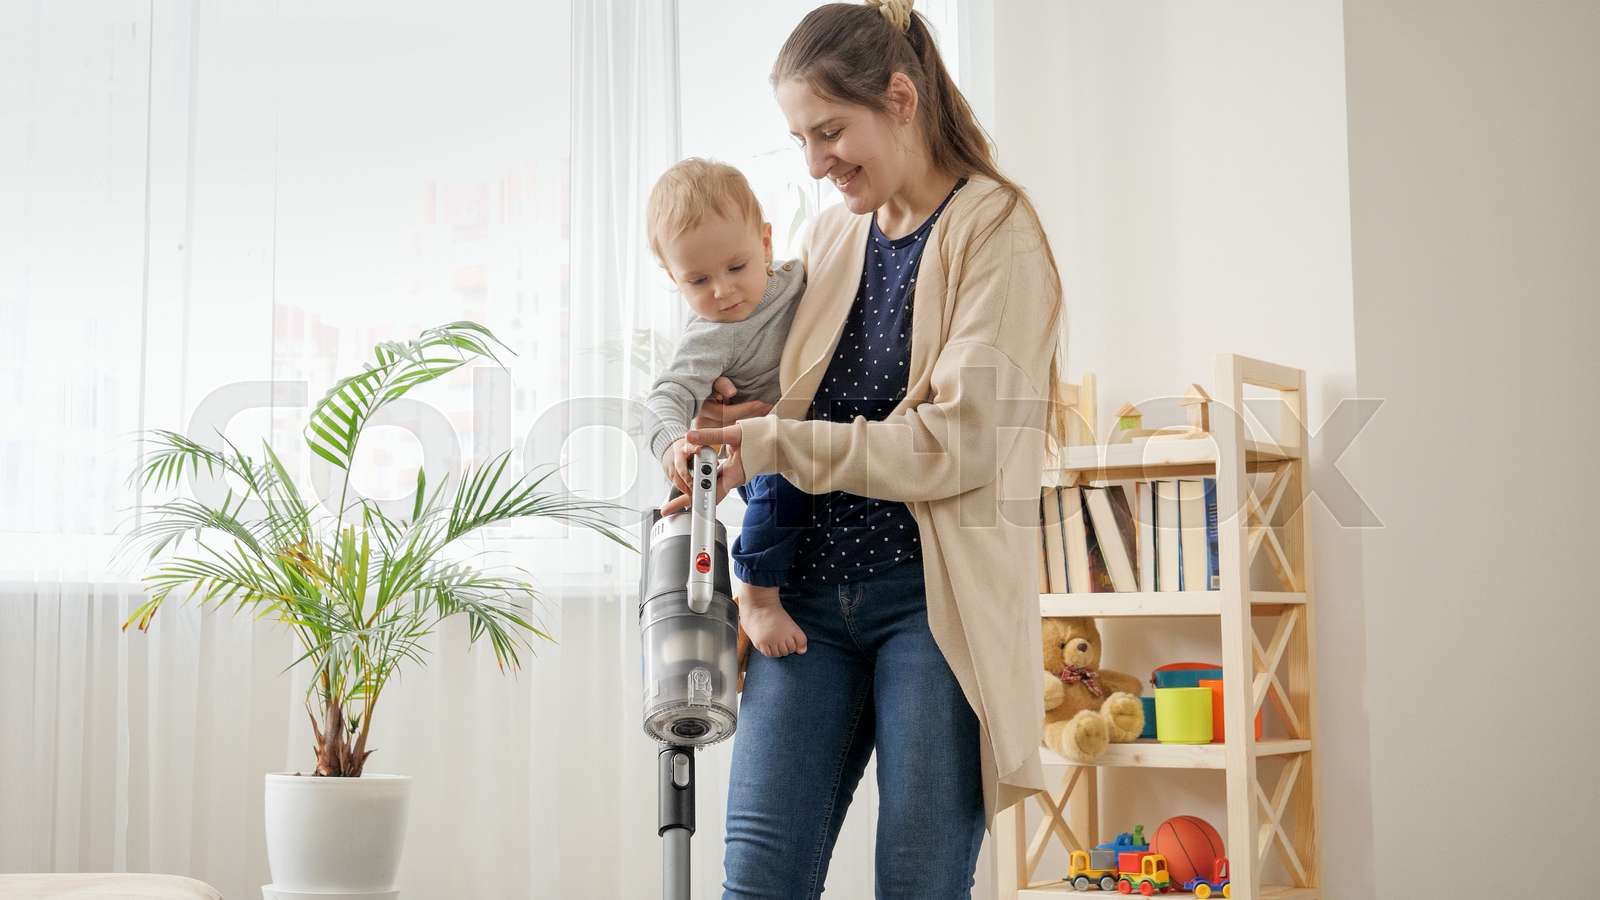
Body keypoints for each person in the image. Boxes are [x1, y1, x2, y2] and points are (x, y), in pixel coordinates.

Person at [661, 0, 1069, 896]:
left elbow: (957, 446)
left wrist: (773, 441)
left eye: (831, 130)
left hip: (931, 607)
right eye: (801, 139)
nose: (815, 163)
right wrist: (726, 425)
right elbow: (792, 396)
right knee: (759, 880)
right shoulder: (832, 234)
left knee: (918, 882)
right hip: (803, 603)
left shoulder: (997, 232)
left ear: (900, 98)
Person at [642, 158, 812, 659]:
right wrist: (675, 441)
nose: (722, 291)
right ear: (672, 277)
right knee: (780, 483)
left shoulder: (801, 279)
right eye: (697, 281)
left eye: (736, 267)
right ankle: (757, 594)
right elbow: (666, 396)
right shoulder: (710, 336)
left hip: (817, 434)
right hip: (759, 446)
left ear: (765, 243)